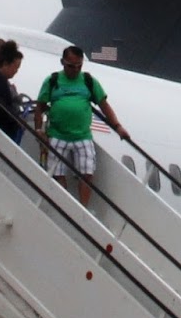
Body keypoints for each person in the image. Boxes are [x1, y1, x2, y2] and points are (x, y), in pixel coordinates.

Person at [33, 45, 131, 205]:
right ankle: (64, 205)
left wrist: (118, 127)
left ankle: (82, 207)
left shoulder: (88, 81)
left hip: (82, 135)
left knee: (87, 172)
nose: (75, 70)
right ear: (62, 63)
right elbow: (40, 107)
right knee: (56, 173)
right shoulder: (52, 81)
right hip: (58, 134)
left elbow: (104, 105)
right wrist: (39, 130)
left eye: (79, 66)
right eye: (71, 66)